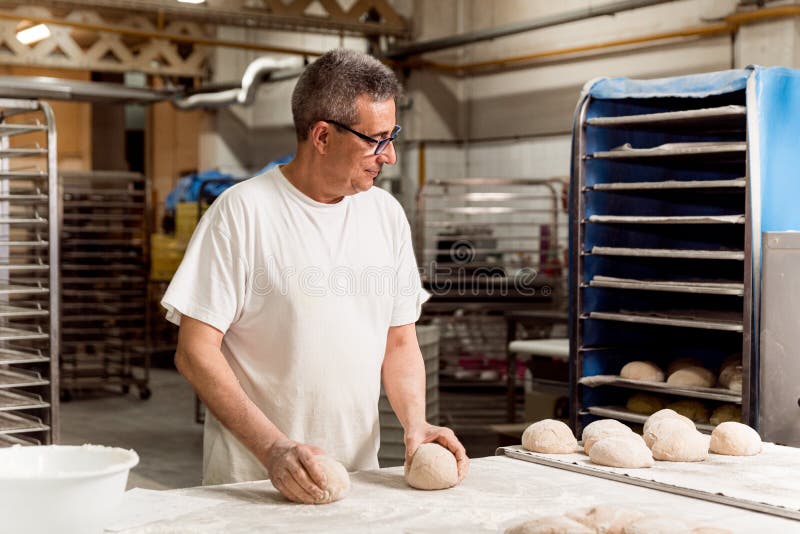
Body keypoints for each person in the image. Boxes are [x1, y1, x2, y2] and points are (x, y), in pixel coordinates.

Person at [162, 48, 469, 503]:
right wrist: (273, 449)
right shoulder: (242, 213)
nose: (390, 156)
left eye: (392, 136)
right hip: (254, 485)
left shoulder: (385, 214)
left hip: (356, 483)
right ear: (322, 136)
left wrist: (416, 424)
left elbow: (399, 342)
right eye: (376, 140)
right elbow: (195, 352)